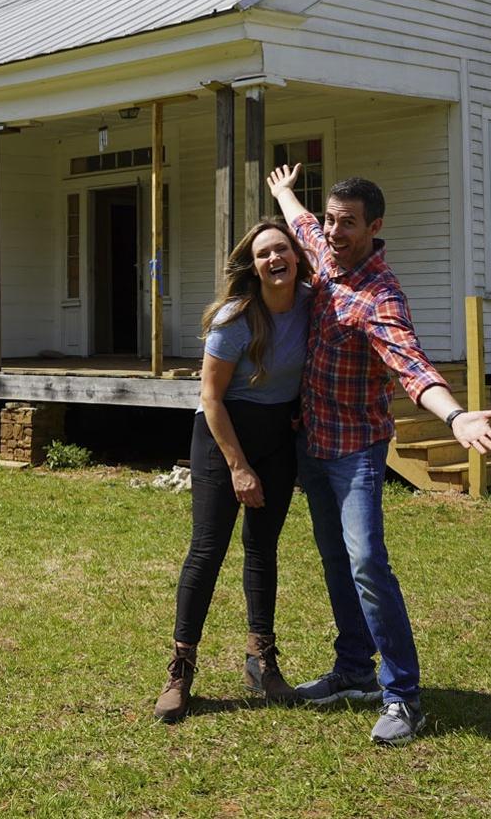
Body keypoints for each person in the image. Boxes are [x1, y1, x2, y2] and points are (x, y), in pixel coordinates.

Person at [266, 165, 491, 745]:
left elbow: (411, 365)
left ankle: (403, 697)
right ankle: (353, 669)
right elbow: (301, 227)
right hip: (314, 445)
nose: (333, 230)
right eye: (331, 219)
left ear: (375, 227)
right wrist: (282, 193)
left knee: (368, 564)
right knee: (337, 563)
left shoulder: (381, 298)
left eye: (347, 223)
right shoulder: (325, 256)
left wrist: (454, 414)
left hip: (356, 453)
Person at [154, 219, 315, 724]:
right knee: (207, 549)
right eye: (264, 253)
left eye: (282, 249)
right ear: (253, 265)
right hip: (223, 438)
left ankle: (260, 662)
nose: (275, 259)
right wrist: (239, 467)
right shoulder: (235, 318)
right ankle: (180, 670)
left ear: (295, 256)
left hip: (276, 439)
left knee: (263, 549)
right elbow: (210, 396)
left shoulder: (312, 303)